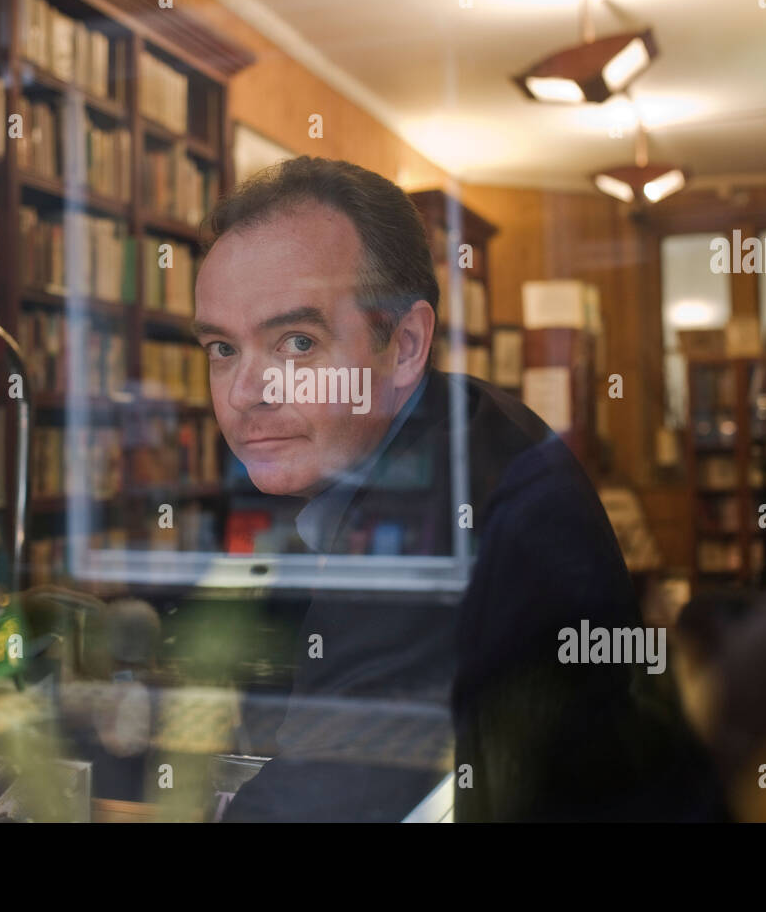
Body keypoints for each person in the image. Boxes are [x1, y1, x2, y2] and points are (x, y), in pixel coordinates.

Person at [192, 156, 716, 821]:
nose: (245, 394)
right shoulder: (449, 430)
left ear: (406, 344)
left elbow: (320, 805)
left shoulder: (436, 507)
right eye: (222, 349)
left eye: (297, 342)